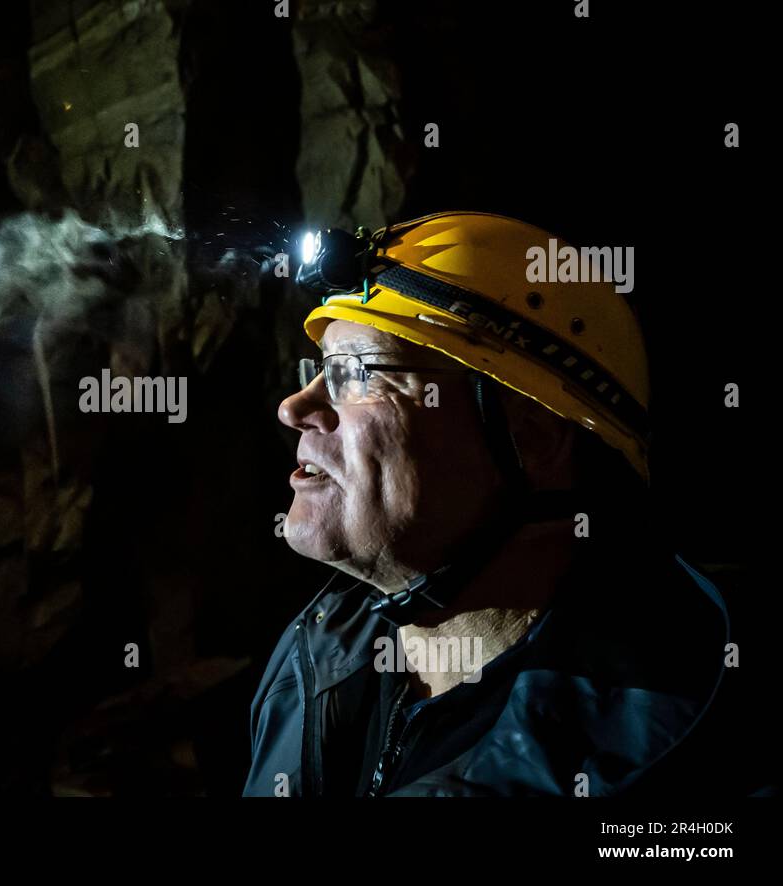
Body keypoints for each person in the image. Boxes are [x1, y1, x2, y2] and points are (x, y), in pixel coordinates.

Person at [243, 212, 733, 797]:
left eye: (354, 374)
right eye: (318, 371)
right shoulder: (317, 658)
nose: (293, 408)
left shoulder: (680, 759)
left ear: (535, 437)